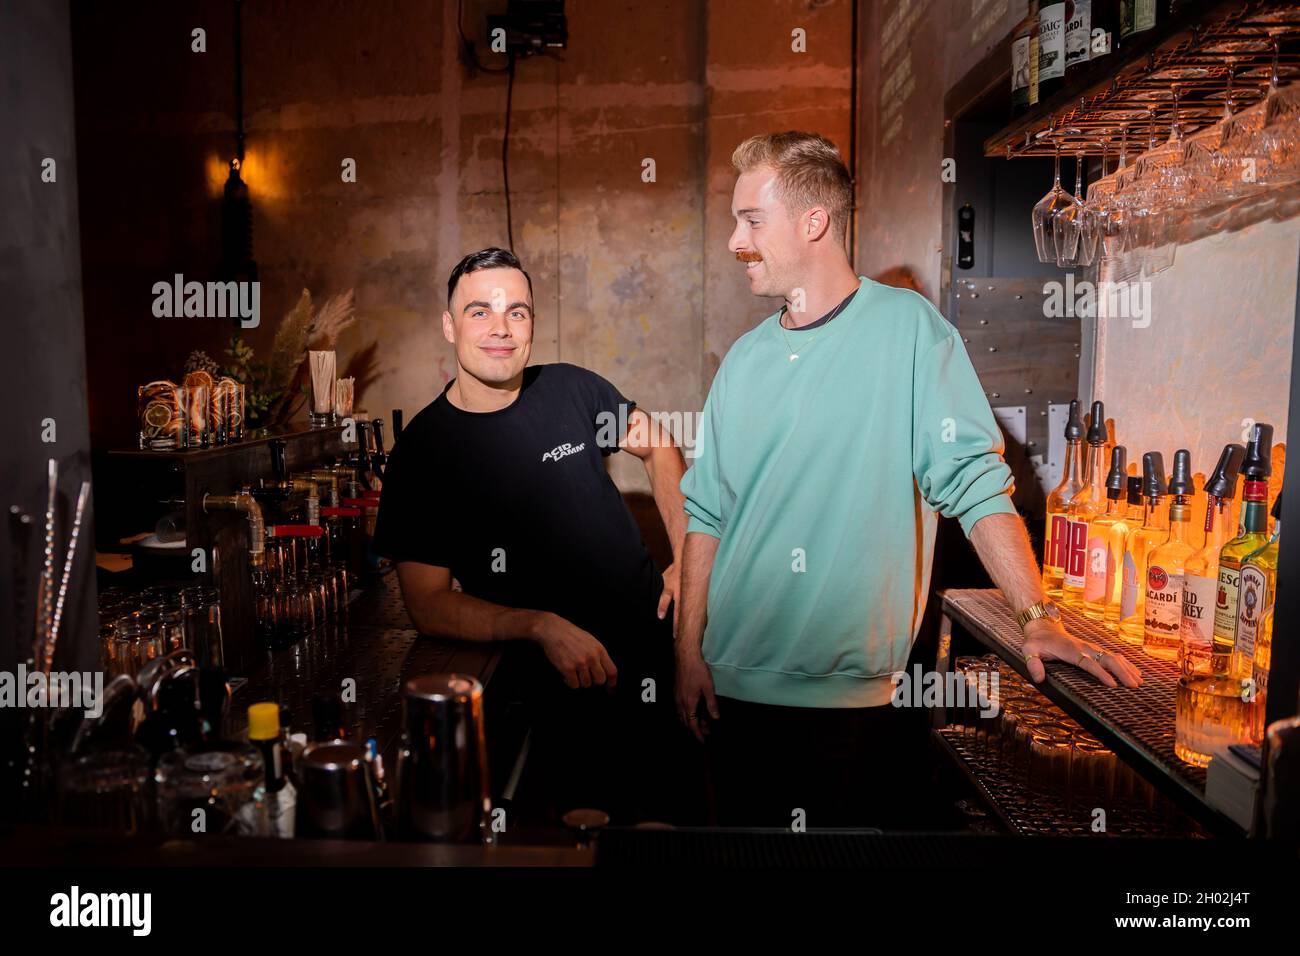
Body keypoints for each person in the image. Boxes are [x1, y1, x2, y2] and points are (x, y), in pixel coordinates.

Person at [674, 132, 1143, 829]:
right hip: (733, 695)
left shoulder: (910, 334)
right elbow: (706, 513)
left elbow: (978, 488)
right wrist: (687, 651)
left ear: (813, 222)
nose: (734, 241)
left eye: (751, 220)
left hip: (857, 713)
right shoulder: (743, 360)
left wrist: (1036, 618)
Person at [373, 247, 698, 826]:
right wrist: (539, 624)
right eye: (479, 311)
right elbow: (428, 603)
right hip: (552, 690)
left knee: (672, 828)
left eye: (516, 312)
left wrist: (684, 563)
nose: (500, 327)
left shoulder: (573, 390)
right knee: (579, 838)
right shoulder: (422, 453)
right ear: (449, 326)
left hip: (656, 651)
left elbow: (658, 444)